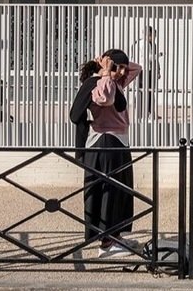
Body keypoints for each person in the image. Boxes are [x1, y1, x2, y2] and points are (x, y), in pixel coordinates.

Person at [79, 49, 143, 258]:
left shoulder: (116, 82)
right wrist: (106, 70)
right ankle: (106, 243)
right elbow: (104, 99)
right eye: (118, 67)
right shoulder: (99, 83)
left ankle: (115, 236)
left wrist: (114, 66)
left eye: (123, 68)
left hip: (118, 141)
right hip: (105, 141)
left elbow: (137, 69)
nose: (122, 71)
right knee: (108, 191)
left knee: (120, 191)